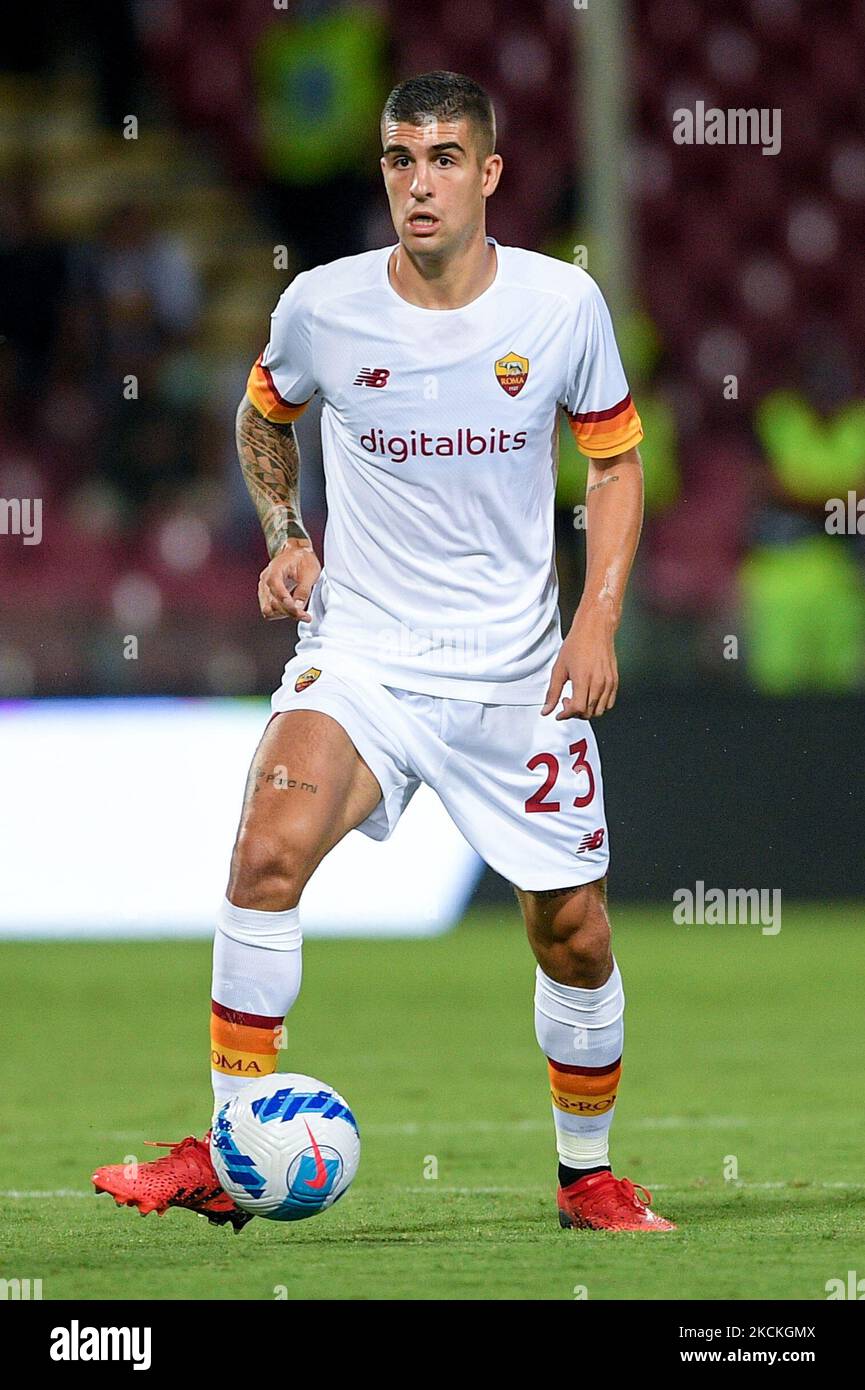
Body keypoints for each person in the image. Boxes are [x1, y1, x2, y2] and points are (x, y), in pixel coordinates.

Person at [93, 71, 675, 1234]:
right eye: (401, 158)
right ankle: (232, 1142)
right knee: (266, 849)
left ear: (490, 175)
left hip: (514, 676)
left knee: (575, 931)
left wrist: (597, 617)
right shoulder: (322, 305)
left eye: (446, 158)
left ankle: (587, 1178)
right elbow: (265, 413)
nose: (420, 181)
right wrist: (287, 534)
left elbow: (613, 465)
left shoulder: (560, 308)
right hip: (361, 653)